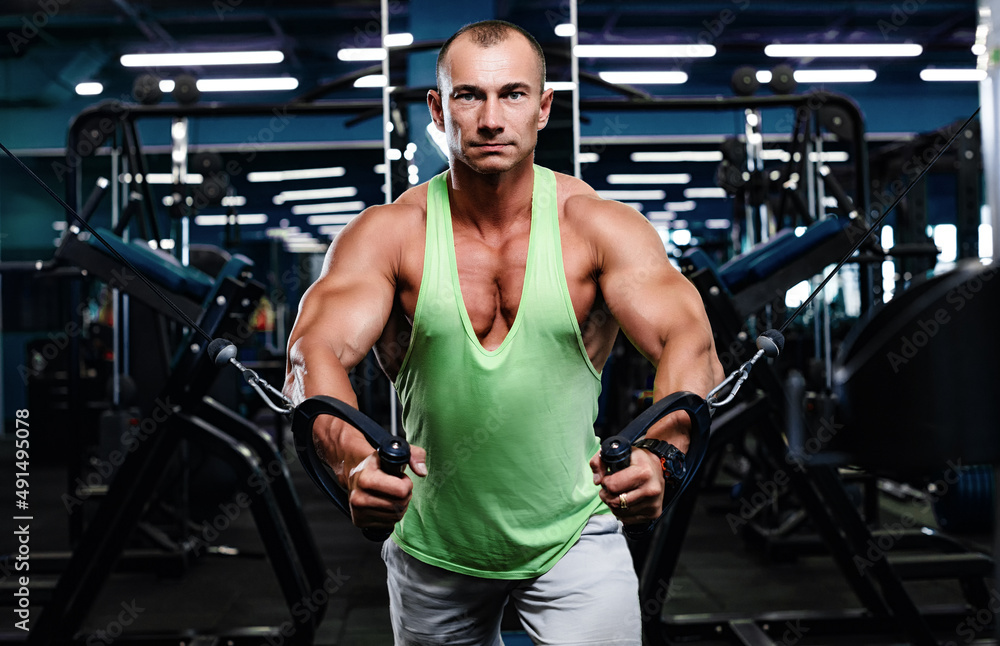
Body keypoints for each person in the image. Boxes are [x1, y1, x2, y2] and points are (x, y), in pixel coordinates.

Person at [284, 19, 724, 646]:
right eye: (470, 95)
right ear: (438, 107)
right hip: (432, 544)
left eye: (513, 94)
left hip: (574, 534)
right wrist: (356, 465)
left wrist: (661, 455)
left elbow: (690, 342)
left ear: (543, 108)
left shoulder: (598, 227)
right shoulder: (388, 233)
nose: (491, 118)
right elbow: (312, 352)